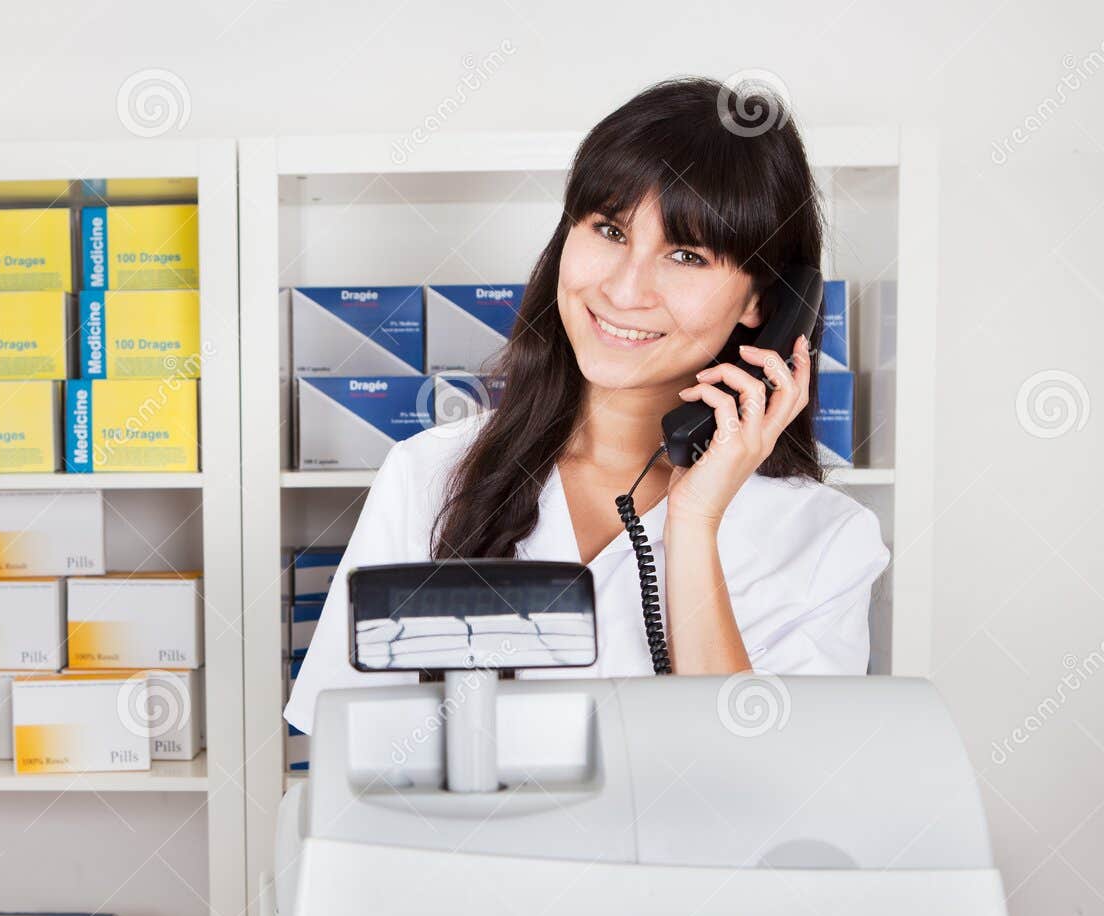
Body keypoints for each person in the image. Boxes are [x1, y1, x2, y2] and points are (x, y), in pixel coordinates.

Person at [284, 77, 890, 735]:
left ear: (763, 306)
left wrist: (694, 522)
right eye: (609, 229)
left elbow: (770, 788)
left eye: (686, 254)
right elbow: (354, 770)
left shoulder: (827, 542)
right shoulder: (428, 474)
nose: (625, 289)